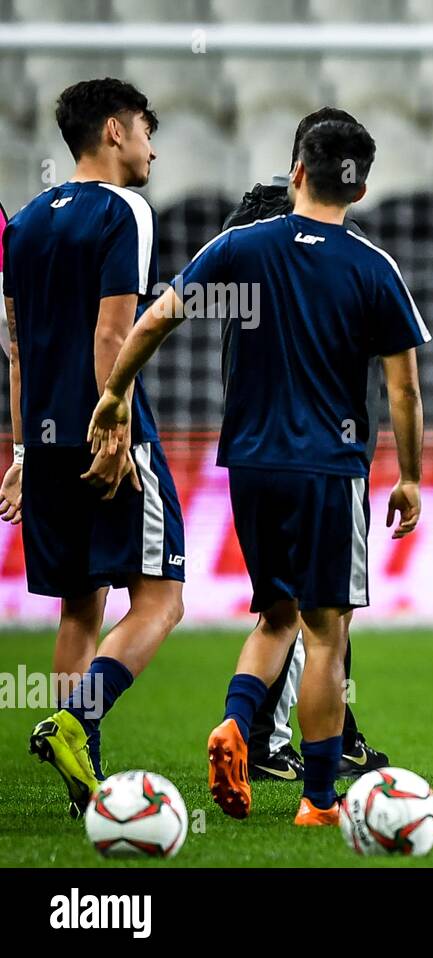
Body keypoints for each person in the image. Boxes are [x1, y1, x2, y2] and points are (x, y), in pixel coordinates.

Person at [89, 118, 430, 825]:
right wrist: (411, 476)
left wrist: (114, 395)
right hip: (329, 470)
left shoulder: (239, 246)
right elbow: (404, 390)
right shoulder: (373, 267)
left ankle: (238, 728)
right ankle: (318, 798)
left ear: (296, 171)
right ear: (361, 187)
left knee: (273, 616)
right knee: (325, 633)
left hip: (249, 464)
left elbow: (153, 321)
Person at [1, 78, 186, 816]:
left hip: (43, 440)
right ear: (114, 131)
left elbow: (15, 351)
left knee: (80, 608)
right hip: (105, 431)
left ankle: (86, 788)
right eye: (146, 129)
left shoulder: (28, 222)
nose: (152, 147)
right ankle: (77, 721)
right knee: (161, 599)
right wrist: (115, 429)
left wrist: (19, 453)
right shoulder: (125, 210)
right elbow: (117, 332)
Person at [219, 107, 389, 784]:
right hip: (324, 445)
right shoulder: (332, 243)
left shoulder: (242, 233)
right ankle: (270, 742)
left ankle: (333, 732)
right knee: (319, 612)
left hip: (257, 438)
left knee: (302, 609)